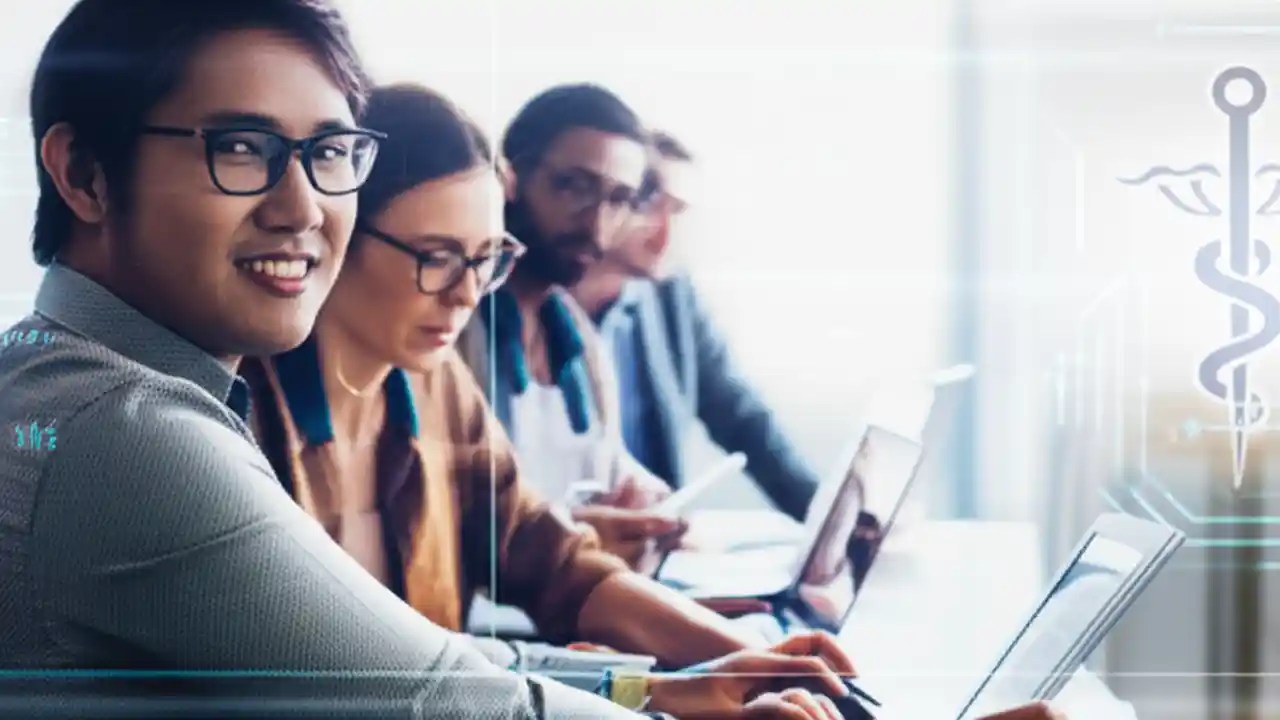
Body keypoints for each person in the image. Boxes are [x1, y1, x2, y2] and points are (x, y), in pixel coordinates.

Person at [0, 2, 859, 718]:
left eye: (329, 154)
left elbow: (417, 652)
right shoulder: (128, 432)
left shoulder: (79, 380)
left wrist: (655, 687)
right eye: (241, 149)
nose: (302, 207)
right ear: (84, 174)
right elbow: (436, 701)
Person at [457, 83, 683, 567]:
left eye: (619, 199)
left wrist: (642, 501)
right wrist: (566, 543)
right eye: (575, 186)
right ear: (512, 176)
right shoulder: (449, 323)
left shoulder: (579, 339)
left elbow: (607, 471)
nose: (596, 224)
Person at [569, 131, 822, 522]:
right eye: (651, 207)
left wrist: (829, 517)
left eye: (680, 212)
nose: (666, 235)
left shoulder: (670, 295)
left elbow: (741, 418)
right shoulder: (536, 309)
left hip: (654, 548)